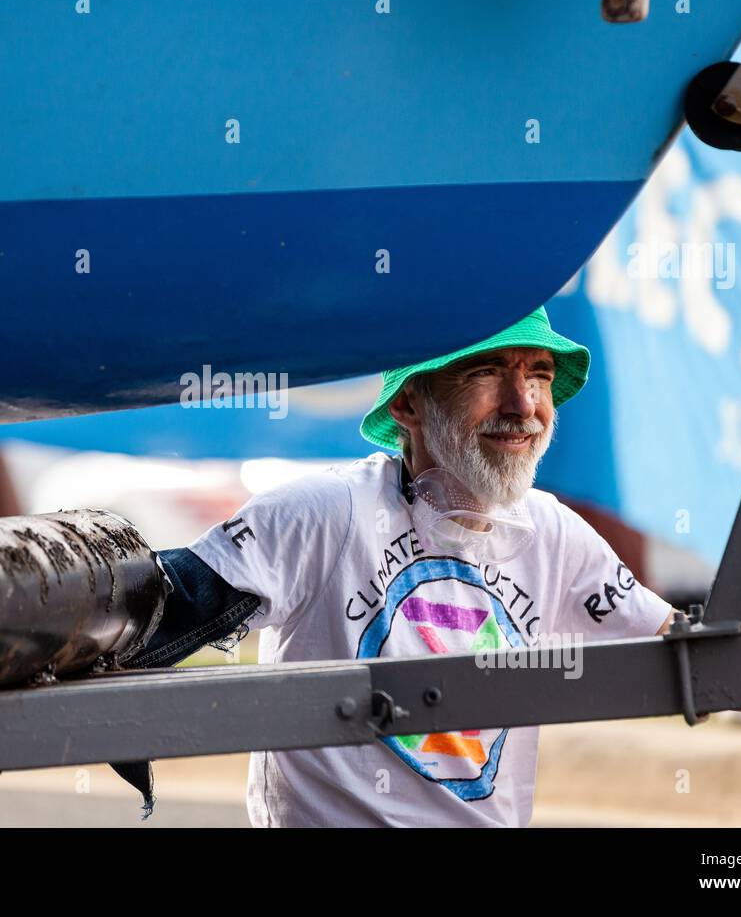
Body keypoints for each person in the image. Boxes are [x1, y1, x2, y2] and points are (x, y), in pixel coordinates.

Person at [133, 306, 678, 826]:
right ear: (409, 404)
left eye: (539, 375)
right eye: (485, 372)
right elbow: (156, 609)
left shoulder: (553, 533)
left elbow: (688, 649)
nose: (522, 404)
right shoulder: (327, 511)